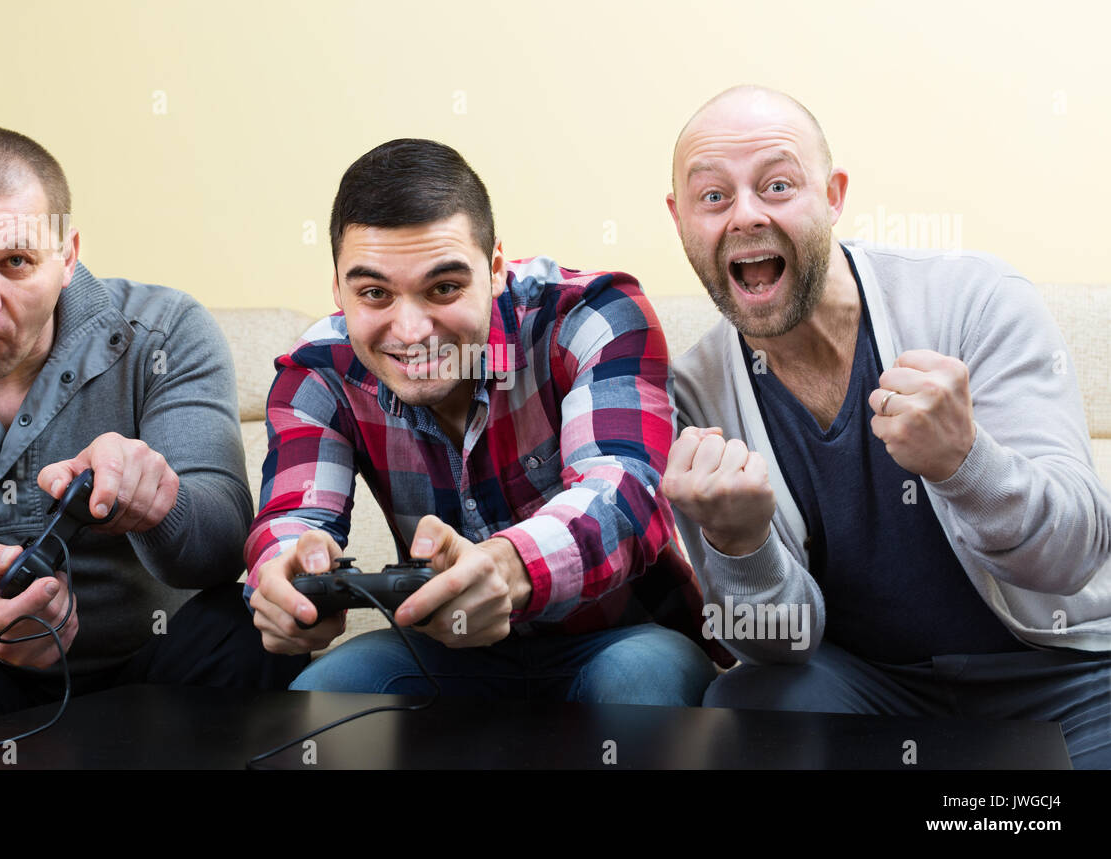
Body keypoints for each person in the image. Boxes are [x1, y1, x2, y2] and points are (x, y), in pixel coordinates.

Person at [0, 126, 304, 759]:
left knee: (244, 626)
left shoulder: (166, 331)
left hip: (157, 668)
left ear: (68, 256)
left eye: (15, 262)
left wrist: (161, 504)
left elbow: (216, 547)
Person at [660, 85, 1111, 767]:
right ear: (680, 218)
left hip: (1063, 676)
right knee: (745, 709)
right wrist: (740, 542)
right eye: (713, 196)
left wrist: (967, 462)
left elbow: (1076, 550)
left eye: (778, 185)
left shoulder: (977, 300)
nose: (746, 214)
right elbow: (777, 644)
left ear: (835, 195)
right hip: (871, 691)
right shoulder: (693, 396)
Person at [245, 138, 728, 704]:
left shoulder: (592, 314)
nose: (411, 331)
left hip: (620, 638)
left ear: (495, 269)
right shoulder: (318, 371)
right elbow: (296, 518)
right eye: (374, 293)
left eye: (444, 287)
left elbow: (626, 491)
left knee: (641, 685)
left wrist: (506, 568)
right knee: (321, 695)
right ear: (338, 290)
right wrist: (286, 575)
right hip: (447, 652)